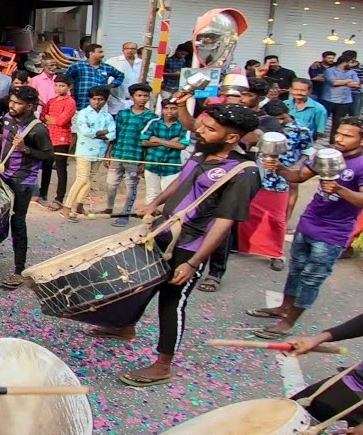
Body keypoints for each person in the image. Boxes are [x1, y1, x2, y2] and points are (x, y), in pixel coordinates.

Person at [92, 104, 261, 387]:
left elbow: (223, 223)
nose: (200, 131)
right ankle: (125, 327)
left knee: (171, 302)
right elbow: (182, 181)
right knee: (139, 284)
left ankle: (163, 364)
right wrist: (154, 203)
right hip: (163, 231)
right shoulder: (203, 151)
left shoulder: (243, 172)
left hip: (190, 245)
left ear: (231, 138)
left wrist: (193, 263)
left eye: (209, 129)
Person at [248, 117, 363, 338]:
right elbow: (299, 177)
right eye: (338, 133)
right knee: (296, 270)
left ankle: (288, 322)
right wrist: (280, 167)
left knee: (312, 277)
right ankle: (284, 307)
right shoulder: (327, 155)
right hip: (308, 223)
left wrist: (339, 190)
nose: (339, 138)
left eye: (347, 136)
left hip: (332, 234)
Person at [0, 86, 53, 288]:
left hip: (22, 181)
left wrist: (26, 150)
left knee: (18, 224)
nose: (12, 105)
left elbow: (49, 156)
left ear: (30, 106)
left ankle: (18, 270)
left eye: (17, 103)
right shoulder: (8, 117)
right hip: (3, 174)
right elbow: (5, 141)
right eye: (11, 101)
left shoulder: (38, 129)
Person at [238, 100, 311, 272]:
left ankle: (276, 254)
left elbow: (308, 152)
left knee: (276, 219)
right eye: (274, 119)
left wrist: (296, 166)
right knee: (248, 215)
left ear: (286, 114)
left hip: (280, 181)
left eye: (281, 118)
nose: (277, 123)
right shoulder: (261, 126)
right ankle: (245, 246)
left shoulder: (301, 130)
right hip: (256, 176)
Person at [60, 87, 116, 223]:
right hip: (84, 151)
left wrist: (97, 133)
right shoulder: (83, 113)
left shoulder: (107, 116)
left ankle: (79, 205)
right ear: (90, 99)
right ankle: (66, 207)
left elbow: (112, 134)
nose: (97, 102)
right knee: (82, 179)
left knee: (89, 179)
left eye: (100, 99)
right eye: (94, 99)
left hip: (99, 152)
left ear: (105, 100)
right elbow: (85, 131)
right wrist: (102, 132)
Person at [105, 83, 156, 225]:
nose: (142, 98)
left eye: (145, 96)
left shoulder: (151, 117)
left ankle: (125, 214)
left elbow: (148, 142)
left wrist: (144, 162)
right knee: (111, 183)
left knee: (131, 186)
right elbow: (115, 135)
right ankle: (109, 209)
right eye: (139, 95)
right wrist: (108, 153)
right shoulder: (123, 114)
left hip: (135, 157)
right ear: (132, 97)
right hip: (118, 154)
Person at [140, 98, 189, 205]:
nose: (169, 111)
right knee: (151, 193)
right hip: (152, 163)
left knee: (170, 195)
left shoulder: (183, 125)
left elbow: (182, 146)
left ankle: (166, 220)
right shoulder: (154, 123)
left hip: (172, 165)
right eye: (166, 108)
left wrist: (157, 139)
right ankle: (149, 218)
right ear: (162, 110)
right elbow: (144, 142)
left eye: (173, 108)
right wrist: (171, 142)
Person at [39, 74, 76, 210]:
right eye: (56, 85)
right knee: (46, 166)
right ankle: (43, 194)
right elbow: (42, 116)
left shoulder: (70, 102)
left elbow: (62, 122)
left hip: (62, 138)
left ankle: (59, 198)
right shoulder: (51, 101)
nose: (58, 88)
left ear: (69, 87)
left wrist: (50, 118)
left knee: (60, 169)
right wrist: (51, 118)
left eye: (62, 86)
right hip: (48, 137)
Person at [65, 44, 124, 111]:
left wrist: (111, 85)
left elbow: (120, 75)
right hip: (81, 103)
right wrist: (70, 92)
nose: (103, 54)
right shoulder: (78, 66)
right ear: (91, 53)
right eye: (100, 52)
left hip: (100, 106)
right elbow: (65, 79)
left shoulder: (107, 67)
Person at [325, 55, 359, 134]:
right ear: (344, 63)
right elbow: (334, 82)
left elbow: (356, 84)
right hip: (329, 100)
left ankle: (333, 141)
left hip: (345, 101)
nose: (353, 65)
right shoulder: (330, 71)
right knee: (322, 119)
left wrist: (341, 81)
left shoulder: (352, 72)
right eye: (351, 63)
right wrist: (349, 80)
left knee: (338, 122)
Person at [105, 42, 143, 111]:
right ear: (122, 50)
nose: (130, 50)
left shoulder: (141, 63)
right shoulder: (113, 61)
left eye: (132, 49)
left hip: (136, 98)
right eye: (127, 48)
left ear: (136, 50)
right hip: (117, 97)